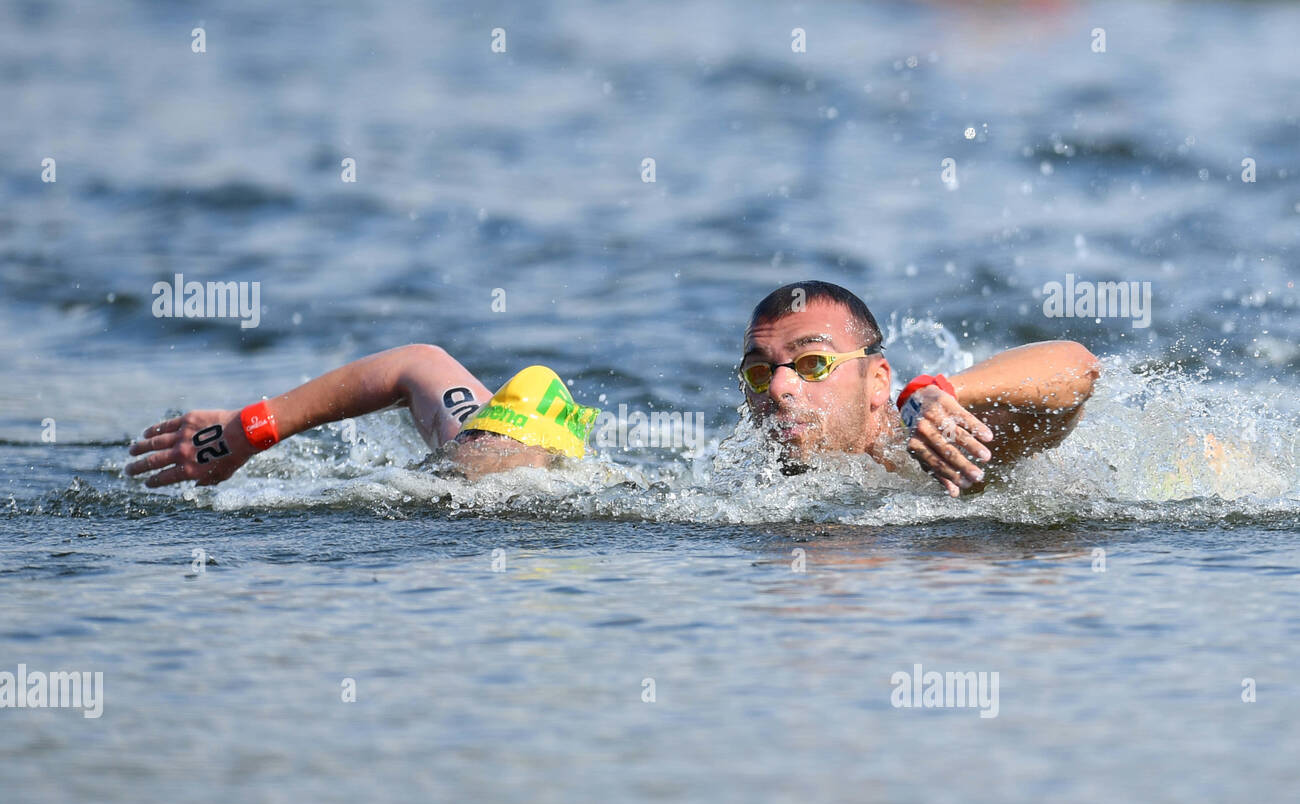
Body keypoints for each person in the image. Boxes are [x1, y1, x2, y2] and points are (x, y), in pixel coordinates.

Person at [126, 280, 1101, 496]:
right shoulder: (737, 487)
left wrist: (948, 391)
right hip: (591, 459)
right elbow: (416, 361)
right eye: (758, 371)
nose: (779, 390)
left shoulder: (931, 445)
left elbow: (1075, 368)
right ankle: (537, 410)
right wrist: (254, 426)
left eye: (810, 363)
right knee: (494, 474)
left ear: (875, 378)